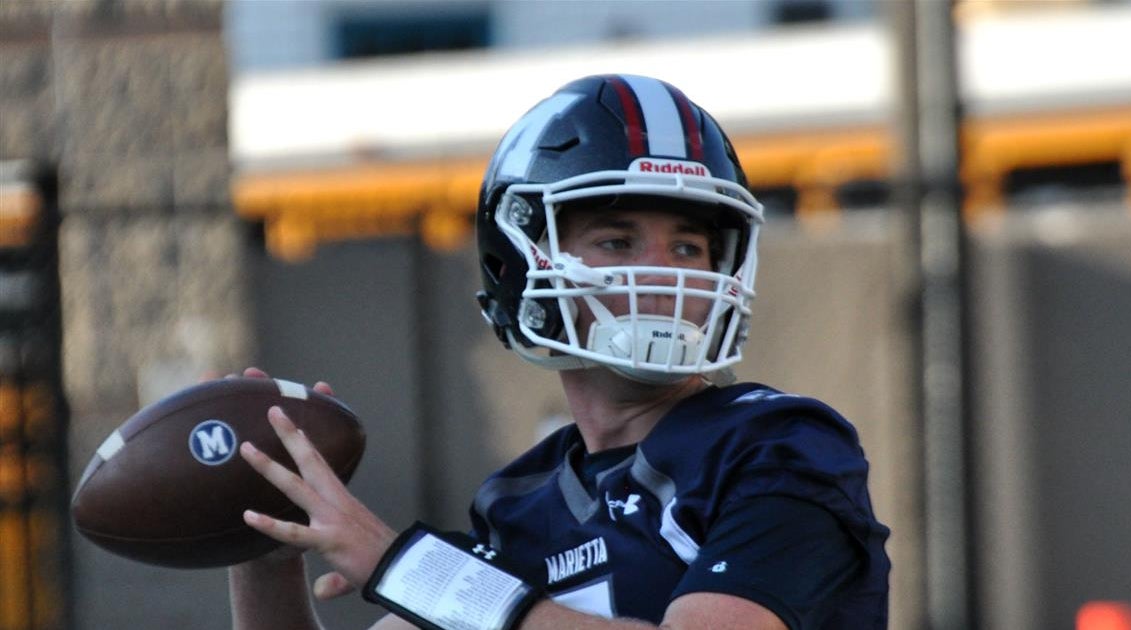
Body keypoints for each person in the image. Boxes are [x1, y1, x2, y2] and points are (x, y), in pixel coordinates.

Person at [229, 74, 890, 630]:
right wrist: (261, 545)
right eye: (616, 240)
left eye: (688, 247)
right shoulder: (519, 505)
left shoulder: (781, 445)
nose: (661, 274)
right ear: (520, 261)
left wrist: (405, 567)